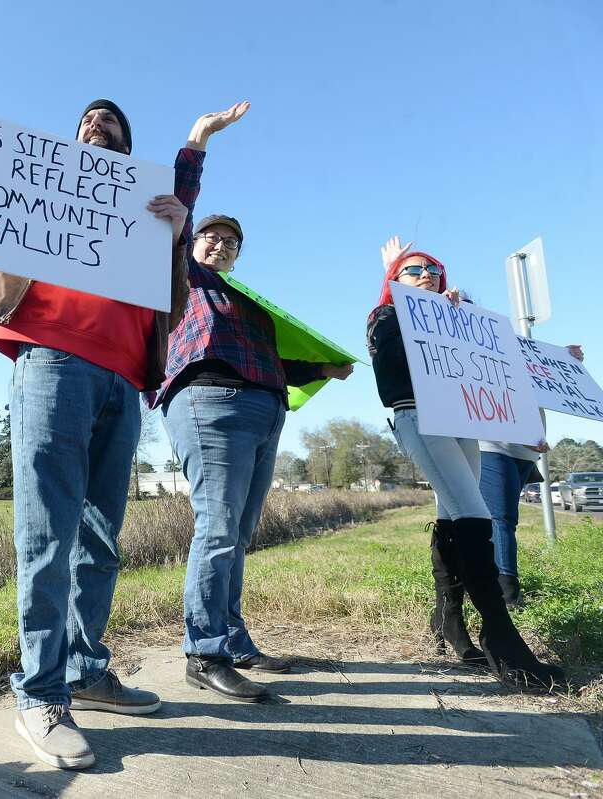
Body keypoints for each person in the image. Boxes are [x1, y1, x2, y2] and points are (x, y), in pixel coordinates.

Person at [0, 4, 190, 770]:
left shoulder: (150, 214)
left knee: (100, 540)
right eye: (89, 119)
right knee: (48, 536)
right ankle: (41, 692)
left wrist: (180, 235)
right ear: (73, 139)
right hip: (51, 362)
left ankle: (89, 670)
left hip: (122, 383)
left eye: (112, 122)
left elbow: (177, 305)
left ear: (130, 146)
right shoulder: (41, 186)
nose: (98, 124)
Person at [153, 119, 354, 703]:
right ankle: (204, 652)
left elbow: (277, 367)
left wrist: (323, 371)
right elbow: (178, 214)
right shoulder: (182, 279)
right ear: (192, 243)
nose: (219, 244)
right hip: (208, 403)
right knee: (216, 527)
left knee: (237, 534)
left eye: (230, 241)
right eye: (210, 236)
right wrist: (199, 142)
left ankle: (234, 640)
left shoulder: (253, 307)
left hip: (266, 411)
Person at [367, 238, 566, 691]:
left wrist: (555, 366)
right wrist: (429, 316)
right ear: (395, 281)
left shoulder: (457, 315)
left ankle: (450, 622)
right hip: (419, 415)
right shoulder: (386, 316)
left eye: (434, 270)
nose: (427, 277)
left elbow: (501, 370)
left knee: (451, 513)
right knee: (475, 517)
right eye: (414, 271)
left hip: (460, 418)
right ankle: (502, 641)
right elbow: (392, 367)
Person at [480, 346, 583, 606]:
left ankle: (491, 582)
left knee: (503, 519)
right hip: (493, 446)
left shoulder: (515, 352)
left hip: (527, 452)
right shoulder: (480, 355)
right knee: (502, 518)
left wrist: (565, 358)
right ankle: (508, 594)